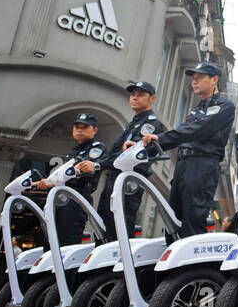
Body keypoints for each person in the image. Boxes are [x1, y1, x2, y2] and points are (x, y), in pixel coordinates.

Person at [148, 63, 236, 238]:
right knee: (172, 221)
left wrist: (161, 138)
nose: (194, 82)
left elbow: (196, 130)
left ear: (214, 80)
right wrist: (143, 147)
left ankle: (192, 265)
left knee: (193, 221)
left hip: (202, 165)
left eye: (199, 78)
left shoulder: (225, 106)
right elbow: (183, 134)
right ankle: (173, 262)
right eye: (193, 79)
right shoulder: (197, 109)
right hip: (183, 165)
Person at [95, 81, 166, 238]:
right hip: (115, 178)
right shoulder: (134, 122)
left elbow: (128, 153)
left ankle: (122, 261)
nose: (135, 98)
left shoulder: (151, 124)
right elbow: (116, 151)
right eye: (133, 94)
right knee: (104, 224)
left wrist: (98, 165)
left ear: (152, 99)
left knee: (119, 226)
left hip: (129, 180)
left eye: (140, 95)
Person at [31, 112, 109, 246]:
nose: (79, 129)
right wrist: (42, 182)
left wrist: (51, 182)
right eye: (77, 126)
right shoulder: (74, 151)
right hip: (61, 197)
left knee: (65, 243)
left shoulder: (97, 148)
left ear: (94, 130)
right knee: (49, 240)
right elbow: (64, 173)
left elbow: (82, 169)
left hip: (76, 198)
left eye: (84, 127)